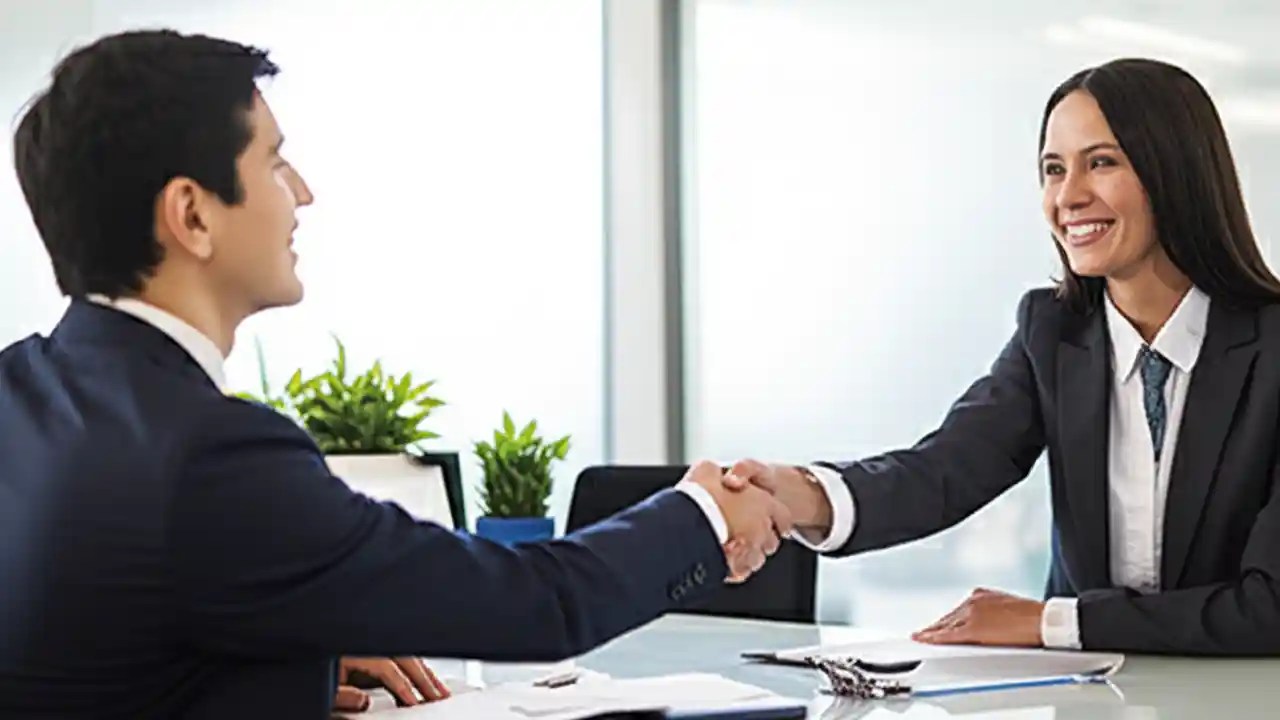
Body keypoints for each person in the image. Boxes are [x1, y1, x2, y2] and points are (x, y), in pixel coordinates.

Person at [0, 30, 796, 718]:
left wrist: (292, 652)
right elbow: (535, 603)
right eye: (275, 162)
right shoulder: (210, 457)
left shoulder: (18, 394)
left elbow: (96, 644)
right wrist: (704, 514)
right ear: (194, 215)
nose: (303, 194)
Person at [722, 58, 1280, 655]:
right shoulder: (1053, 333)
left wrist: (1051, 624)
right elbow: (944, 469)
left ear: (1177, 172)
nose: (1068, 196)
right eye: (1053, 169)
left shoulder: (1270, 348)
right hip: (1091, 700)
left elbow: (1270, 608)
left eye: (1101, 162)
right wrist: (797, 492)